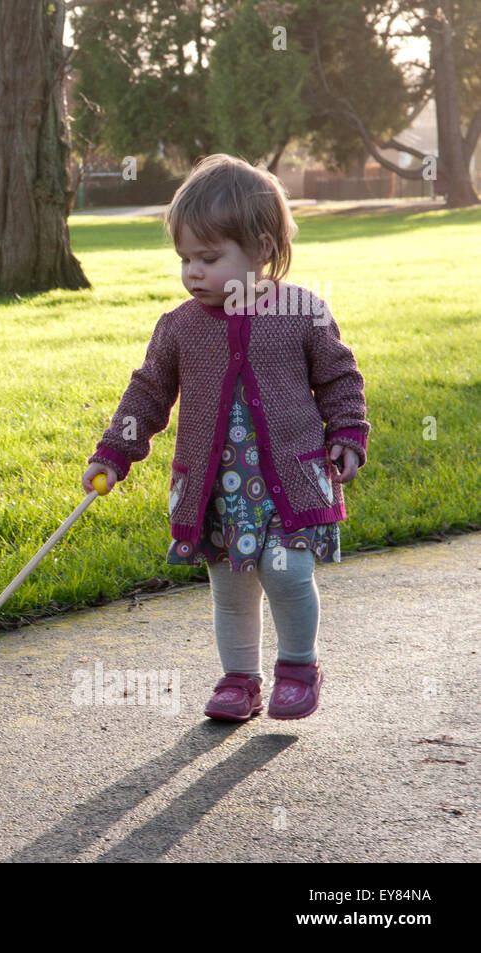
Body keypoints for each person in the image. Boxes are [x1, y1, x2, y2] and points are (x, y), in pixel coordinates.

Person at [81, 154, 369, 722]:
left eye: (209, 258)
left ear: (261, 248)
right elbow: (147, 394)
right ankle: (240, 678)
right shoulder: (180, 327)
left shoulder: (300, 312)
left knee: (287, 573)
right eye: (185, 259)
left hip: (290, 482)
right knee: (231, 589)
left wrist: (348, 432)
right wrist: (116, 452)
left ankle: (297, 666)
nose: (193, 272)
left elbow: (339, 376)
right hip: (217, 490)